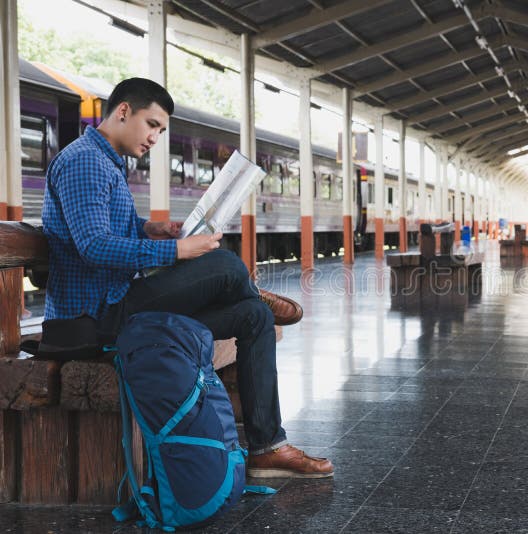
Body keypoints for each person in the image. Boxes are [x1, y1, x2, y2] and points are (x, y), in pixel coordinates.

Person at [42, 77, 333, 479]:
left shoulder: (106, 160)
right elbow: (93, 246)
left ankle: (267, 447)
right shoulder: (85, 161)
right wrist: (177, 250)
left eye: (161, 130)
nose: (155, 137)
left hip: (118, 305)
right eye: (152, 124)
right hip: (96, 317)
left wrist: (149, 229)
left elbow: (102, 230)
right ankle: (245, 289)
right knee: (228, 266)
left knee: (254, 317)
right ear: (123, 111)